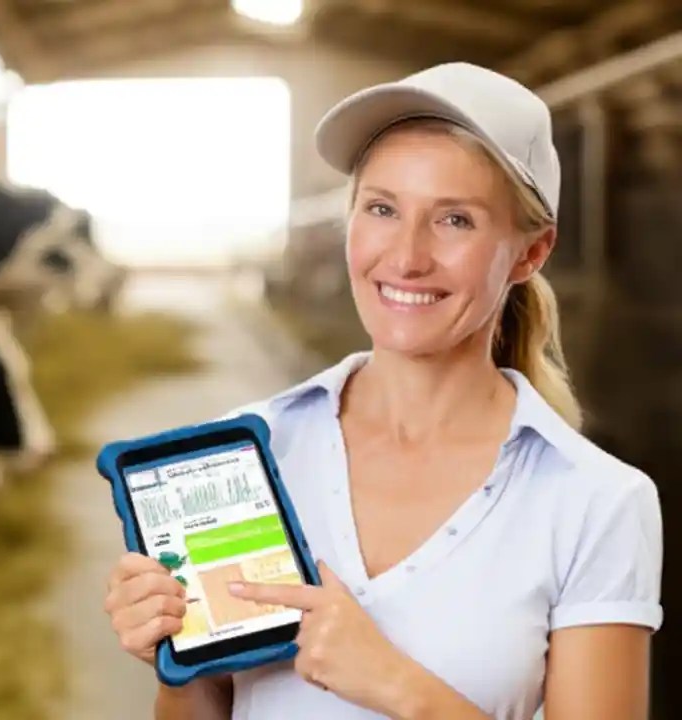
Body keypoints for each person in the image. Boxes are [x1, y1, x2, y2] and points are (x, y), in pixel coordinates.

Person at [102, 62, 664, 719]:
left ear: (530, 254)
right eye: (381, 208)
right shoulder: (249, 452)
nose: (404, 257)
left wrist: (394, 684)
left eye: (454, 220)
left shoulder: (597, 501)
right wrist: (177, 662)